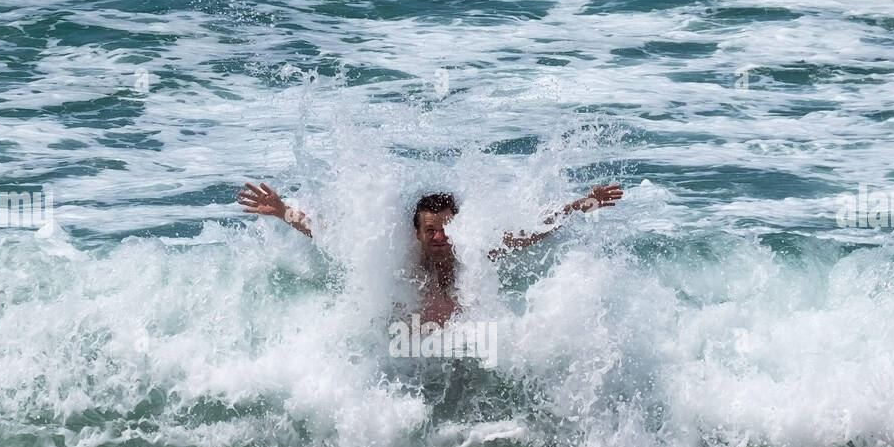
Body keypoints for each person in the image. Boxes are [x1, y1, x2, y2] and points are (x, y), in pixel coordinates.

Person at [235, 181, 624, 324]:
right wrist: (284, 211)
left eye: (446, 229)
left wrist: (581, 204)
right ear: (417, 232)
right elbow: (332, 235)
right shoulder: (398, 258)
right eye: (431, 230)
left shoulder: (474, 250)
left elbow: (532, 233)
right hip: (409, 350)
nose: (439, 237)